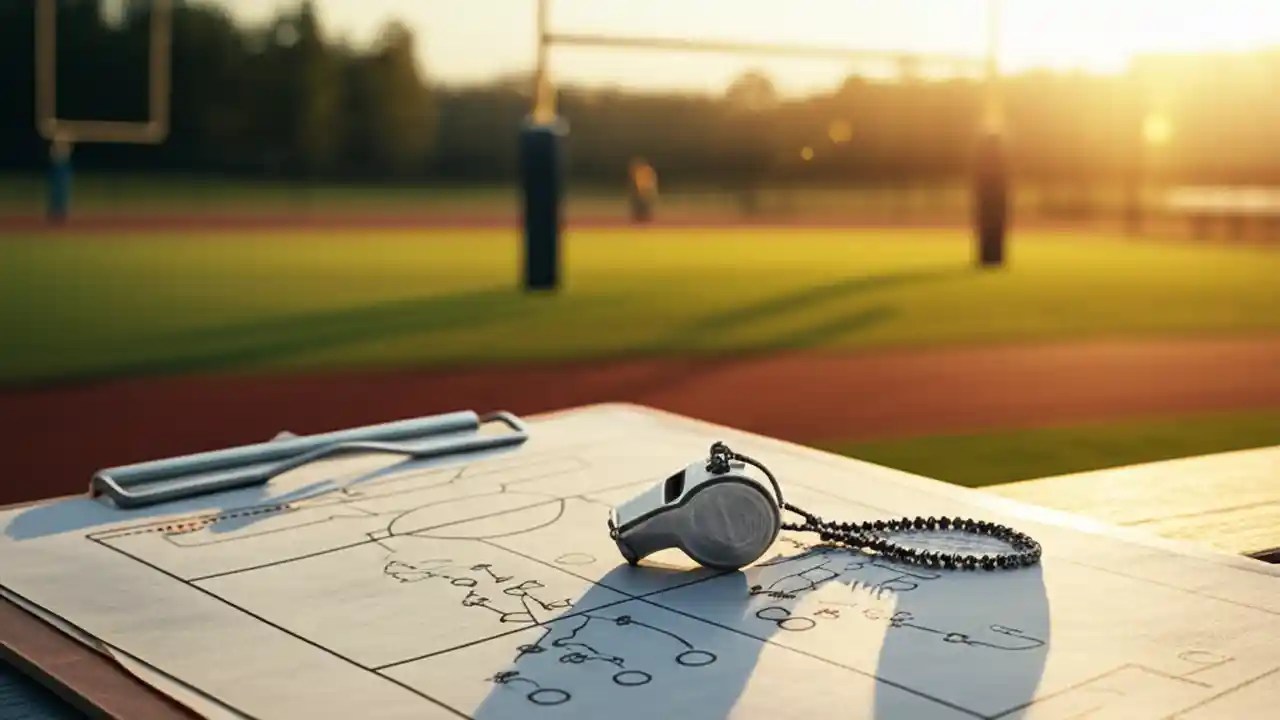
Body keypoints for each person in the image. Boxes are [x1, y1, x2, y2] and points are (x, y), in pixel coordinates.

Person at [628, 157, 659, 223]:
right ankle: (640, 219)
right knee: (640, 209)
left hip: (644, 193)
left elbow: (649, 182)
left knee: (644, 209)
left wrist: (644, 192)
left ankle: (643, 219)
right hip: (643, 193)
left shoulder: (645, 171)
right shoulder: (641, 172)